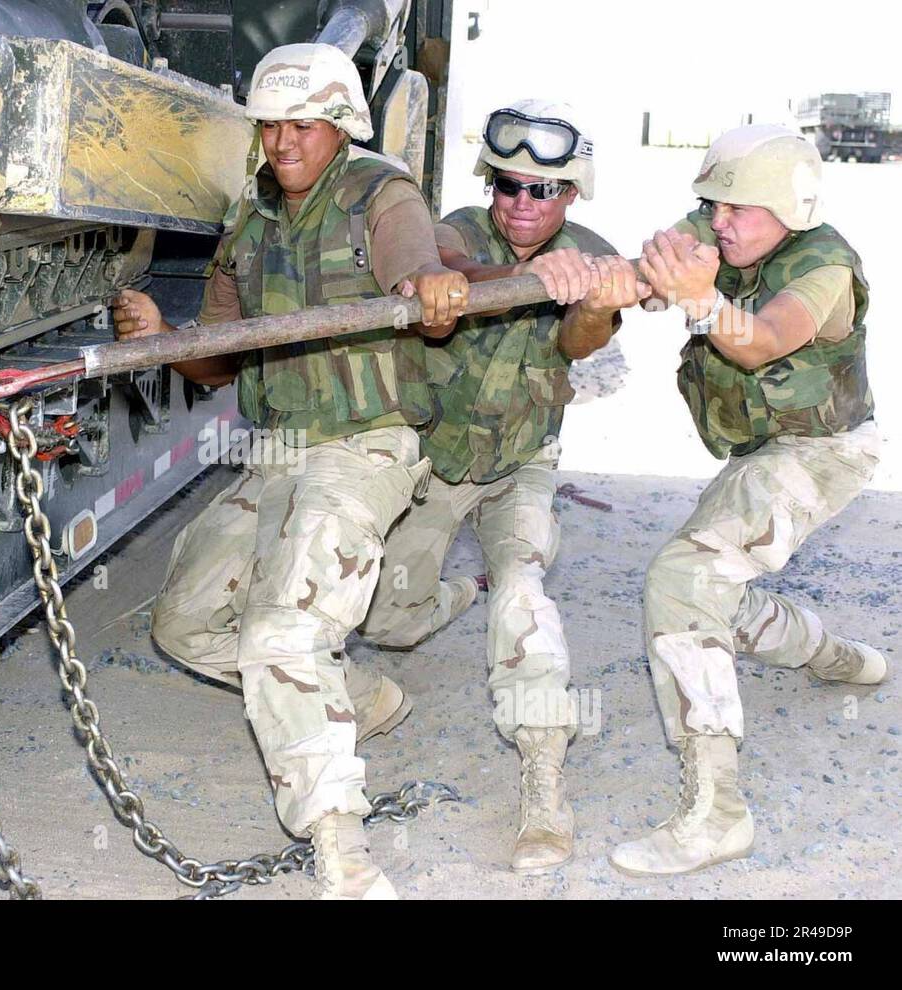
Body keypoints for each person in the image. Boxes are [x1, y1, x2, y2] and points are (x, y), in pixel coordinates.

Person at [112, 42, 470, 898]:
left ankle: (339, 844)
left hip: (366, 443)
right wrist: (164, 335)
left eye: (302, 124)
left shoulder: (381, 195)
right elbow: (217, 362)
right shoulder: (251, 219)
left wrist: (433, 290)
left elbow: (421, 275)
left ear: (339, 124)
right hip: (278, 449)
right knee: (186, 624)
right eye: (271, 125)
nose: (283, 142)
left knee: (283, 633)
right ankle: (361, 699)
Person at [360, 100, 647, 872]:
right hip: (438, 462)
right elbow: (444, 271)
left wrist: (591, 301)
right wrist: (524, 278)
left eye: (543, 190)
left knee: (523, 594)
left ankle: (544, 782)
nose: (523, 203)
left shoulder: (595, 255)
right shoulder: (453, 225)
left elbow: (580, 344)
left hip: (521, 462)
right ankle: (454, 595)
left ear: (571, 196)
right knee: (388, 620)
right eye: (511, 185)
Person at [610, 124, 885, 876]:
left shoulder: (823, 266)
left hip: (824, 451)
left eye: (736, 208)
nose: (718, 220)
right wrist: (601, 277)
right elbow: (654, 262)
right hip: (765, 448)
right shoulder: (726, 227)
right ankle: (833, 655)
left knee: (685, 576)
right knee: (714, 588)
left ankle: (717, 813)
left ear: (785, 212)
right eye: (712, 204)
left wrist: (697, 298)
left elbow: (764, 340)